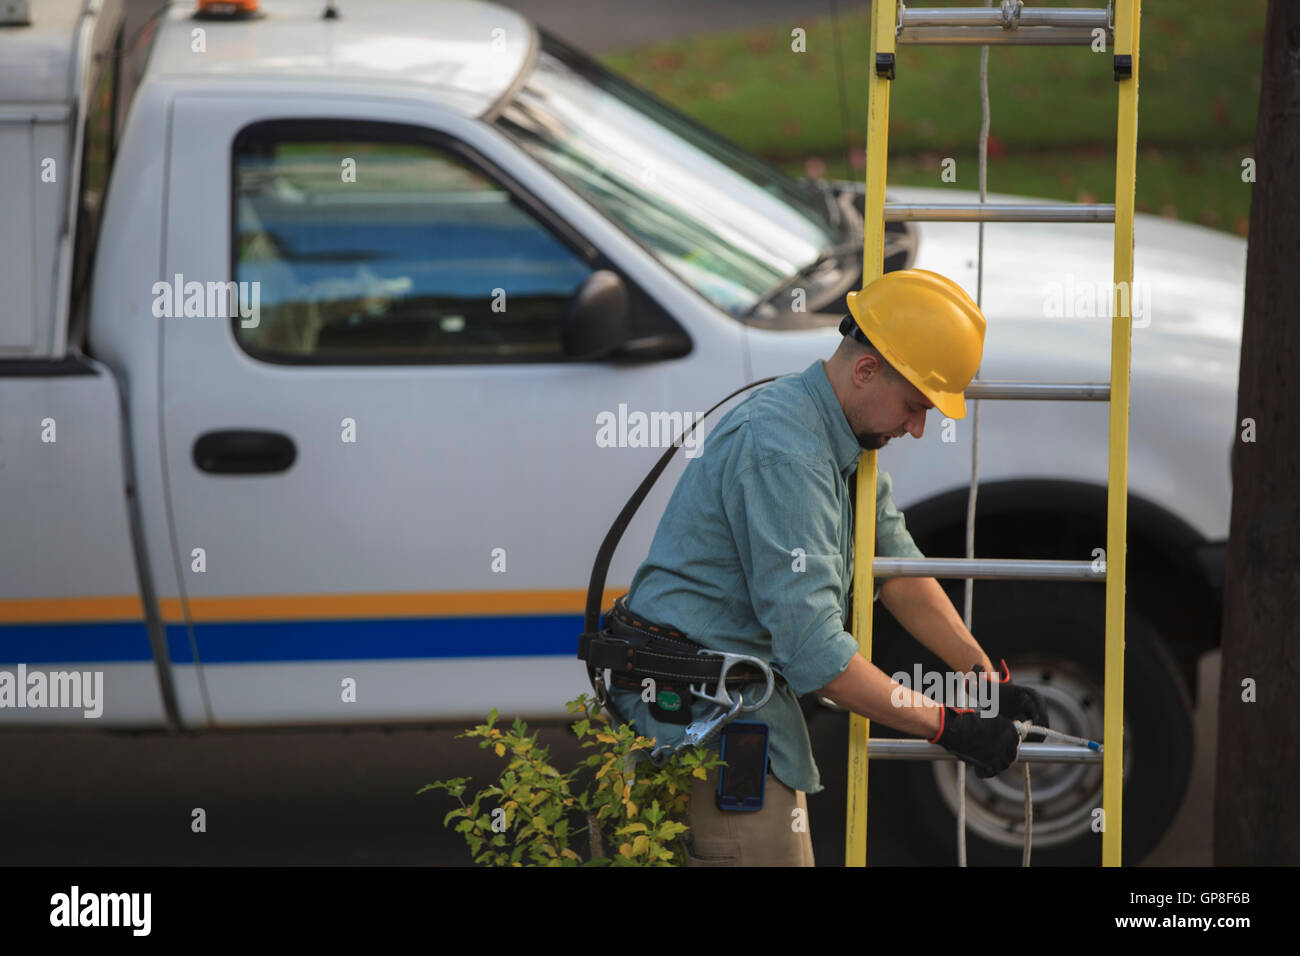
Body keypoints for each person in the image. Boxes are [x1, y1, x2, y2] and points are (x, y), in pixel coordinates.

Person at [608, 268, 1047, 866]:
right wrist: (949, 726)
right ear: (866, 371)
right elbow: (819, 658)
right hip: (706, 728)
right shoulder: (788, 450)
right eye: (916, 406)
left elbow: (897, 571)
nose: (917, 428)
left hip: (727, 716)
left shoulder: (839, 436)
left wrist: (980, 678)